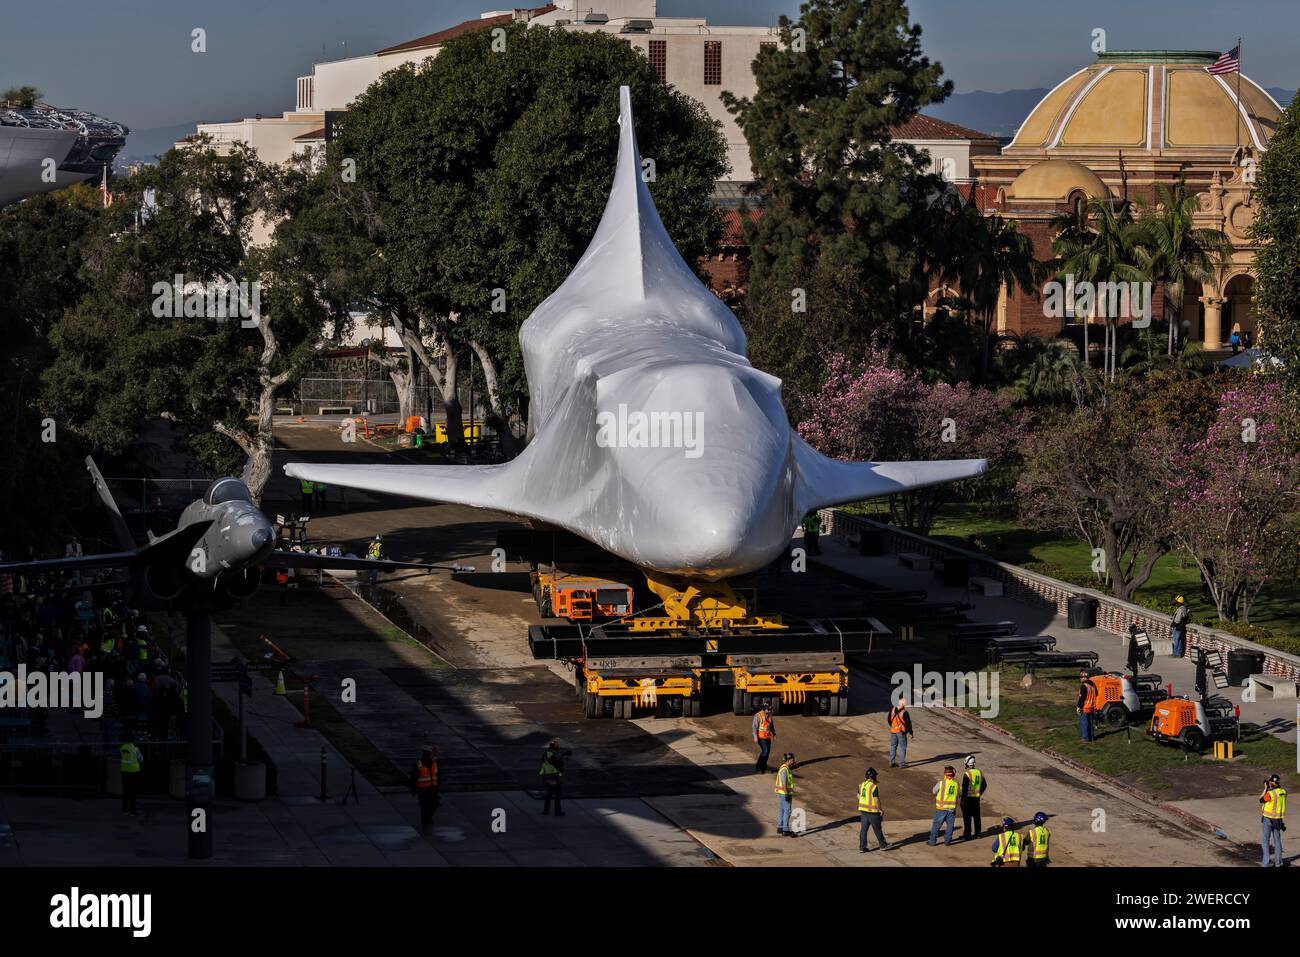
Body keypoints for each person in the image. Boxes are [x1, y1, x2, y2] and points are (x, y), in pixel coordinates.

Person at [857, 767, 890, 852]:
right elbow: (876, 800)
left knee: (863, 830)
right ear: (874, 776)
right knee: (877, 829)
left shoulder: (862, 785)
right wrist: (880, 810)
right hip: (872, 812)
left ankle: (862, 847)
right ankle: (883, 845)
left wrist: (864, 801)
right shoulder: (874, 787)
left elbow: (858, 796)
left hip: (863, 811)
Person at [410, 746, 440, 832]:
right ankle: (425, 823)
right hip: (423, 790)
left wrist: (438, 786)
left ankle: (428, 818)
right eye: (430, 754)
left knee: (434, 805)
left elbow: (438, 775)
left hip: (433, 789)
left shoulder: (434, 763)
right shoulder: (418, 764)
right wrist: (413, 789)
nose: (432, 756)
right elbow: (413, 777)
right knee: (424, 807)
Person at [1260, 774, 1287, 868]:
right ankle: (1279, 863)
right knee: (1277, 841)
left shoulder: (1270, 794)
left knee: (1265, 841)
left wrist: (1265, 788)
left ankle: (1265, 863)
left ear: (1271, 783)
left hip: (1268, 819)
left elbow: (1261, 799)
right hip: (1278, 820)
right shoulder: (1283, 792)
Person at [928, 766, 959, 846]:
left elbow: (934, 791)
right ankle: (947, 841)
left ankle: (932, 841)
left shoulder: (941, 783)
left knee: (936, 826)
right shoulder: (956, 784)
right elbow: (960, 794)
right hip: (952, 809)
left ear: (945, 774)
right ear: (953, 775)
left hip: (941, 809)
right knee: (950, 826)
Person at [960, 754, 987, 840]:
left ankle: (967, 835)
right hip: (976, 798)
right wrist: (979, 793)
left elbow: (964, 788)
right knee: (976, 817)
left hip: (968, 799)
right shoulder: (979, 772)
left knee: (967, 818)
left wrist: (963, 799)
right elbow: (984, 785)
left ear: (967, 764)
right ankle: (978, 834)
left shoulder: (967, 774)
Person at [539, 738, 567, 816]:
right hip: (552, 777)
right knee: (557, 794)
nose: (557, 751)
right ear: (554, 749)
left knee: (549, 794)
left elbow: (550, 764)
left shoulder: (545, 754)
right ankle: (557, 811)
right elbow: (558, 765)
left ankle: (545, 811)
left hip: (545, 776)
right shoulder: (551, 756)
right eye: (556, 749)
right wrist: (562, 760)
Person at [119, 731, 144, 816]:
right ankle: (132, 812)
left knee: (125, 791)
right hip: (133, 772)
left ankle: (125, 810)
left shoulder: (122, 747)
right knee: (133, 792)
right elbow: (141, 759)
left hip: (124, 771)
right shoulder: (135, 749)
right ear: (133, 739)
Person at [775, 752, 797, 836]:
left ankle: (780, 827)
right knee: (787, 810)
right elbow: (784, 783)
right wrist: (787, 793)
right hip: (785, 793)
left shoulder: (784, 767)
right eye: (793, 759)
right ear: (789, 760)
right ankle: (785, 830)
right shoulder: (785, 769)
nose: (794, 761)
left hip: (781, 793)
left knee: (782, 810)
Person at [888, 698, 913, 768]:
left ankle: (891, 762)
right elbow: (908, 724)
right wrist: (911, 732)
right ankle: (901, 764)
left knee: (893, 746)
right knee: (903, 747)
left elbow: (889, 719)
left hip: (893, 731)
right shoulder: (904, 712)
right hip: (901, 732)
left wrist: (893, 726)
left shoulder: (892, 709)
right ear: (904, 704)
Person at [752, 704, 775, 774]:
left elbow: (771, 725)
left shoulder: (769, 715)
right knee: (765, 752)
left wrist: (773, 734)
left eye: (770, 709)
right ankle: (758, 767)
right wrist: (755, 737)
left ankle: (763, 767)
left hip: (767, 737)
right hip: (761, 737)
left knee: (767, 753)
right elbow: (754, 727)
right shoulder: (758, 715)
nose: (770, 711)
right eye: (768, 709)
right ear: (764, 709)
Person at [1076, 670, 1098, 742]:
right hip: (1092, 707)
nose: (1080, 678)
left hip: (1085, 708)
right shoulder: (1093, 685)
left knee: (1084, 723)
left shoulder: (1084, 686)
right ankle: (1092, 737)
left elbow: (1082, 698)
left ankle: (1085, 738)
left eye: (1082, 677)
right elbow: (1096, 694)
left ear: (1085, 678)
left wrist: (1079, 707)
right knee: (1091, 723)